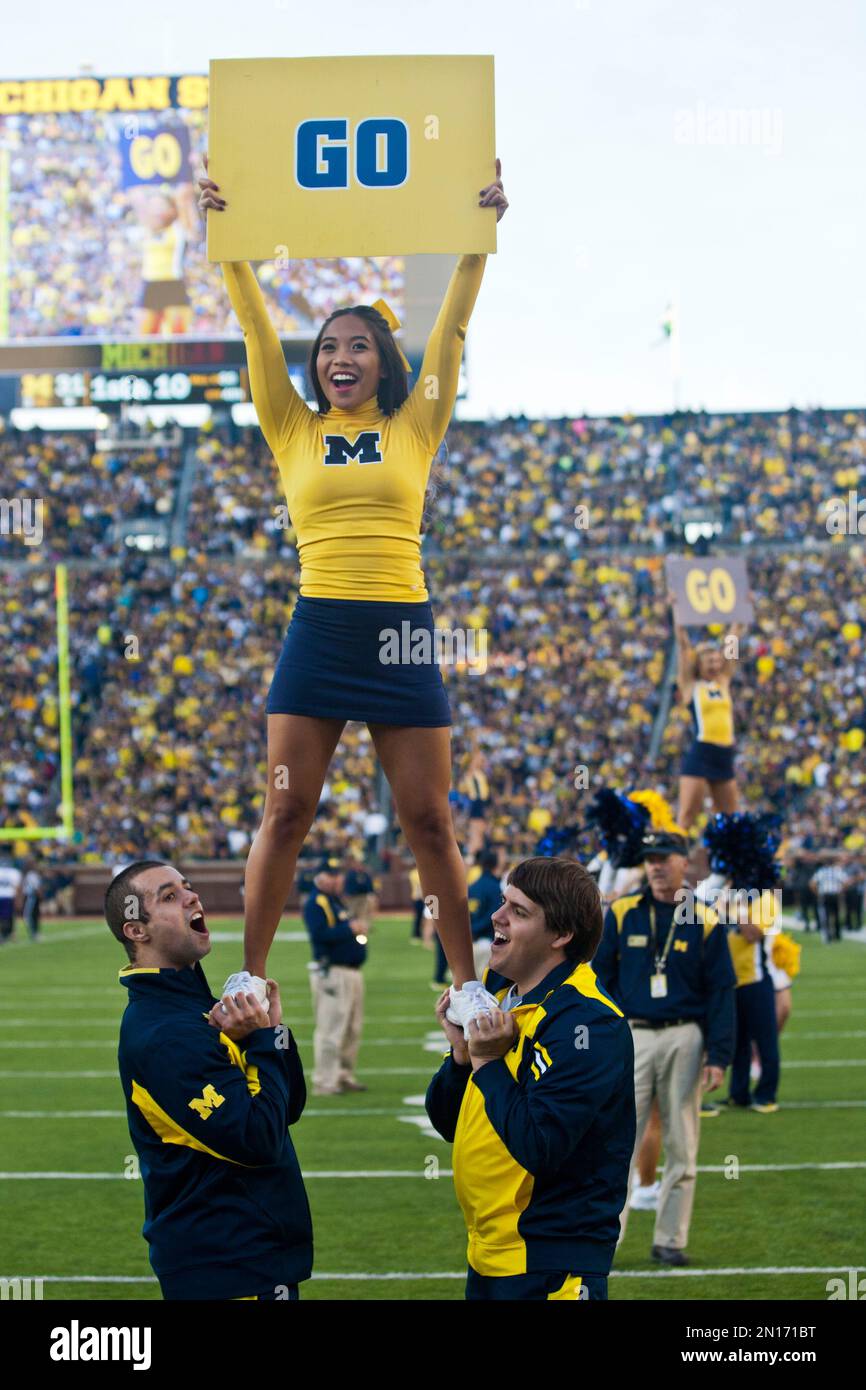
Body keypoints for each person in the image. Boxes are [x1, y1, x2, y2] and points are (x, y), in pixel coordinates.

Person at [198, 154, 509, 1037]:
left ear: (383, 361)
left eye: (357, 344)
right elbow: (259, 335)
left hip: (402, 632)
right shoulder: (290, 426)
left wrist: (476, 243)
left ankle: (465, 985)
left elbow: (449, 333)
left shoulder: (417, 425)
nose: (340, 356)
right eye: (329, 347)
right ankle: (252, 979)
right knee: (287, 807)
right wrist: (229, 244)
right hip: (322, 627)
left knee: (429, 821)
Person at [426, 856, 635, 1301]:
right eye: (503, 901)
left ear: (561, 935)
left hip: (548, 1261)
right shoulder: (500, 990)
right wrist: (462, 1058)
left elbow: (541, 1146)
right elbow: (448, 1122)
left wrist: (487, 1062)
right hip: (489, 1251)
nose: (496, 916)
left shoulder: (587, 1022)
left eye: (518, 911)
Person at [107, 860, 312, 1301]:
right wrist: (259, 1041)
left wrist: (272, 1035)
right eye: (168, 896)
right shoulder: (165, 1034)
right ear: (136, 930)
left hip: (247, 1255)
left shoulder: (192, 1004)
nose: (191, 897)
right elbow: (257, 1140)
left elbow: (286, 1108)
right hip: (226, 1261)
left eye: (188, 887)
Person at [593, 829, 736, 1266]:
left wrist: (720, 1054)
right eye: (649, 858)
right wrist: (607, 1035)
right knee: (619, 1142)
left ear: (684, 862)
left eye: (663, 857)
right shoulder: (622, 912)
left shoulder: (703, 917)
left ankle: (670, 1239)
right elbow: (600, 980)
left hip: (685, 1034)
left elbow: (721, 990)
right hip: (633, 1033)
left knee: (682, 1140)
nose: (655, 865)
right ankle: (604, 1240)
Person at [671, 604, 745, 831]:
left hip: (724, 753)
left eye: (716, 660)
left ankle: (731, 863)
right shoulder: (691, 686)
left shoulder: (723, 681)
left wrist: (742, 611)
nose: (715, 664)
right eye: (709, 661)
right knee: (687, 815)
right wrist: (677, 611)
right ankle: (674, 859)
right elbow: (684, 648)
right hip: (702, 752)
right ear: (699, 665)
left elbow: (732, 643)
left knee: (731, 819)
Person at [303, 856, 367, 1096]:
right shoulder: (316, 902)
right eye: (330, 875)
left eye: (337, 874)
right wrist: (349, 929)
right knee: (331, 1028)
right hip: (333, 971)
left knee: (352, 1028)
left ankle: (343, 1075)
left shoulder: (335, 901)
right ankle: (325, 1080)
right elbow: (319, 934)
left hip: (350, 971)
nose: (336, 879)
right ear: (319, 877)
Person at [723, 889, 781, 1113]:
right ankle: (738, 1094)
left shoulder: (765, 899)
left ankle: (766, 1094)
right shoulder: (725, 893)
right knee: (738, 1043)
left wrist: (733, 909)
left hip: (755, 980)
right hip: (729, 980)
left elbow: (752, 934)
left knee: (765, 1040)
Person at [468, 846, 504, 981]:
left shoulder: (472, 887)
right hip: (488, 942)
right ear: (495, 864)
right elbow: (495, 915)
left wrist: (470, 930)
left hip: (470, 942)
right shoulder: (495, 887)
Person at [810, 856, 846, 941]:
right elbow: (846, 882)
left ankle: (828, 935)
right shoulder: (837, 871)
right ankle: (837, 935)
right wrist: (840, 891)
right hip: (834, 895)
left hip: (825, 895)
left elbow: (812, 884)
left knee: (825, 915)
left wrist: (818, 893)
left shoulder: (821, 871)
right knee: (836, 914)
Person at [0, 854, 22, 944]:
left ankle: (6, 934)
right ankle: (7, 934)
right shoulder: (14, 872)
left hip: (2, 896)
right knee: (8, 917)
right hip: (9, 896)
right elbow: (17, 887)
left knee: (5, 917)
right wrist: (18, 899)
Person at [22, 863, 42, 941]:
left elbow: (35, 887)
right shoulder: (31, 875)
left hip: (31, 896)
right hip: (31, 896)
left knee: (30, 916)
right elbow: (36, 887)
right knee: (31, 915)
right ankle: (34, 933)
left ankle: (34, 933)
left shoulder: (30, 875)